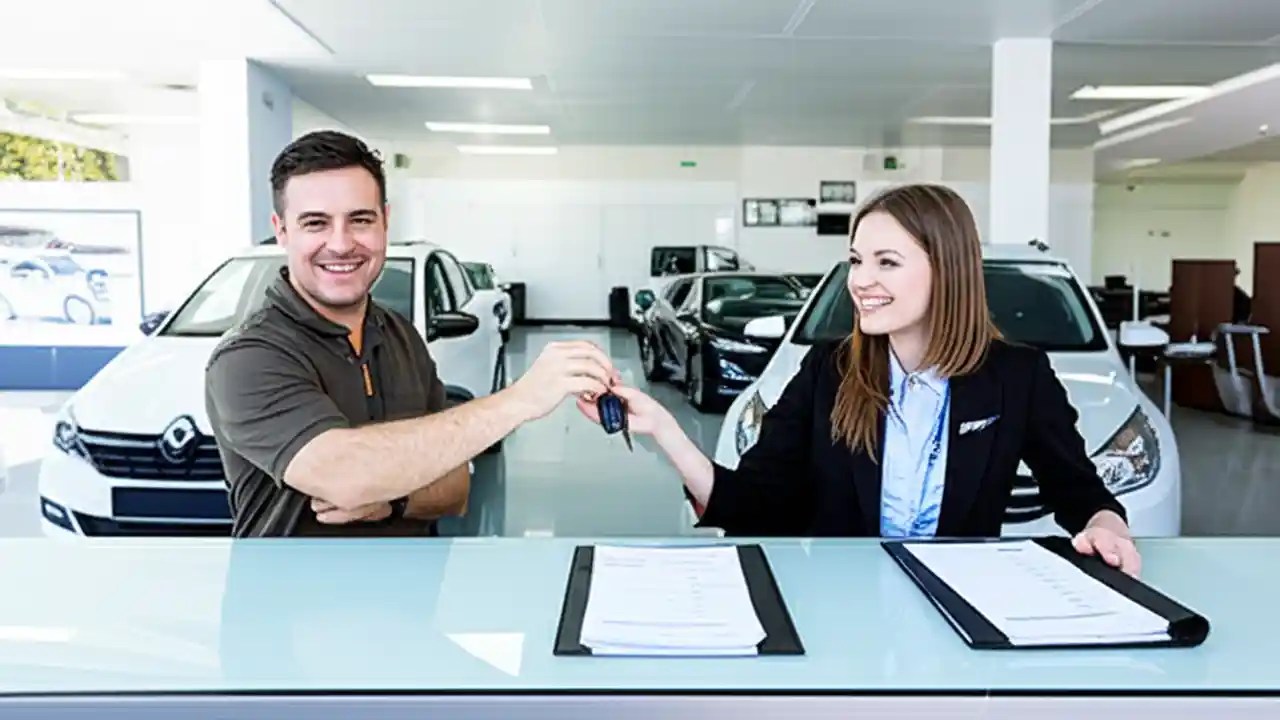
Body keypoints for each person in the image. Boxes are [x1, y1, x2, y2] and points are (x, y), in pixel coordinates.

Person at [581, 183, 1142, 576]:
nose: (861, 280)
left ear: (947, 270)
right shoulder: (828, 370)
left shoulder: (1016, 376)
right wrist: (663, 428)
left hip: (961, 611)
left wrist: (1106, 526)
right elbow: (752, 502)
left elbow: (1079, 492)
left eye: (886, 262)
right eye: (856, 260)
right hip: (841, 609)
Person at [205, 130, 618, 537]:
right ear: (281, 230)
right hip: (287, 600)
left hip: (414, 597)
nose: (341, 243)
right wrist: (519, 401)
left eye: (360, 220)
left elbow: (457, 487)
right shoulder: (249, 357)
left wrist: (392, 501)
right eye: (315, 223)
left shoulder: (400, 334)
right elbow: (345, 476)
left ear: (385, 221)